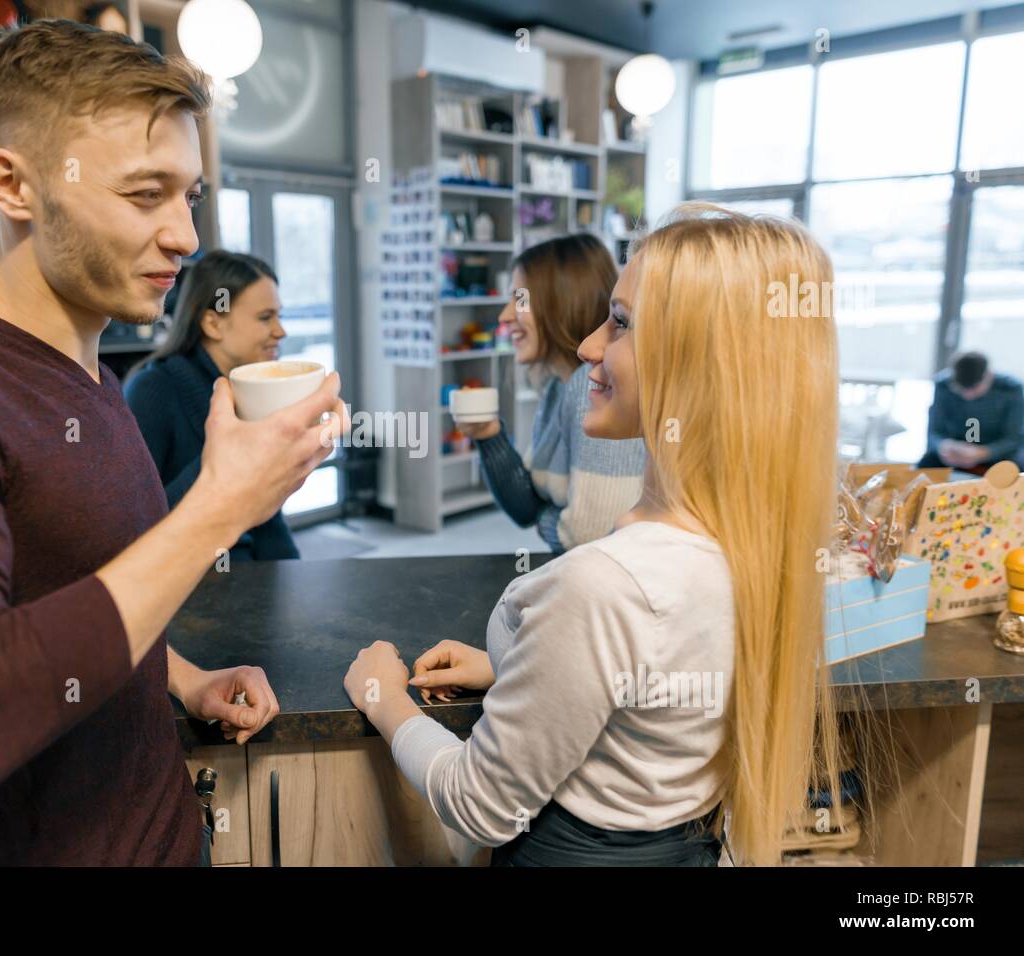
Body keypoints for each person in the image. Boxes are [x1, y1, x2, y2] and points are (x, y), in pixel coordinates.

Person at [0, 20, 346, 866]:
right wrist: (218, 510)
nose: (185, 235)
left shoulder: (102, 385)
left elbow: (76, 591)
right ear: (14, 185)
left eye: (189, 197)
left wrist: (182, 678)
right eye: (146, 194)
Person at [345, 206, 846, 866]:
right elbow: (663, 694)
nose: (589, 348)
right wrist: (525, 673)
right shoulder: (758, 546)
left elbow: (479, 803)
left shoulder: (602, 582)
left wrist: (382, 697)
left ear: (703, 362)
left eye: (622, 323)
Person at [458, 234, 645, 551]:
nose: (504, 317)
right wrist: (489, 435)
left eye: (520, 300)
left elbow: (587, 536)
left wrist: (551, 518)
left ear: (561, 301)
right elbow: (528, 506)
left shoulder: (591, 386)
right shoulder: (559, 387)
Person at [125, 250, 297, 560]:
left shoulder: (244, 390)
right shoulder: (152, 390)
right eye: (265, 317)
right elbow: (136, 524)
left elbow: (268, 522)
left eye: (279, 316)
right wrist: (223, 459)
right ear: (213, 324)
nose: (280, 331)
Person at [917, 351, 1023, 474]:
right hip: (953, 454)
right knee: (925, 466)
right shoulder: (943, 385)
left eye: (974, 388)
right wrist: (944, 445)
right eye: (960, 389)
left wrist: (984, 452)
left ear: (988, 375)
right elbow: (934, 432)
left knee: (1015, 471)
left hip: (995, 456)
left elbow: (1014, 439)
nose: (968, 395)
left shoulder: (1011, 388)